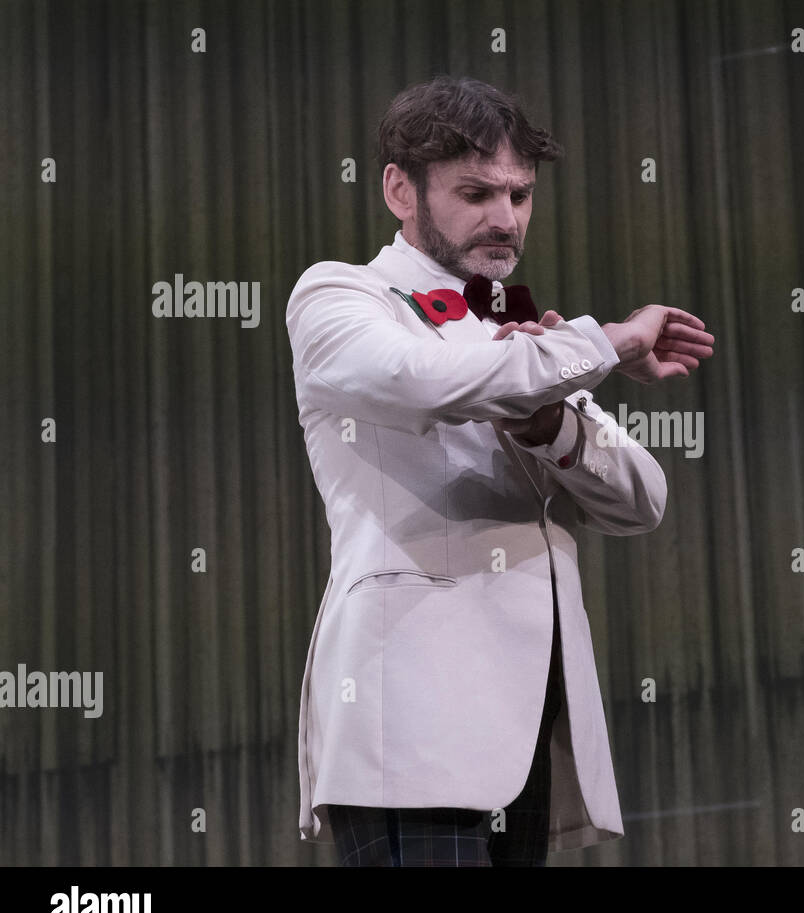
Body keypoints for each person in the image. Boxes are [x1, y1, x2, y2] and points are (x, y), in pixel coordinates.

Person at [285, 75, 714, 866]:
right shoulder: (342, 296)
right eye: (476, 192)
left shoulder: (519, 338)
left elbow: (644, 498)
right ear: (399, 190)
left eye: (519, 194)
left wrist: (554, 419)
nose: (505, 218)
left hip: (529, 728)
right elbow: (426, 379)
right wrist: (605, 346)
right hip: (407, 717)